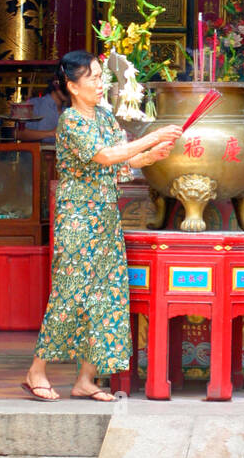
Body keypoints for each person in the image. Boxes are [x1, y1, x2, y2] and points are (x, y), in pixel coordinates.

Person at [22, 50, 182, 402]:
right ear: (73, 86)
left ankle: (85, 379)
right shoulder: (71, 122)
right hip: (77, 219)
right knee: (70, 292)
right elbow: (104, 155)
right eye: (92, 77)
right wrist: (151, 137)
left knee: (108, 295)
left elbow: (120, 163)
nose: (100, 83)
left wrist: (150, 155)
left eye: (100, 76)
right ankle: (37, 371)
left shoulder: (106, 118)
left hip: (106, 218)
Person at [19, 74, 67, 142]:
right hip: (35, 151)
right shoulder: (34, 104)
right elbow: (18, 133)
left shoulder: (69, 110)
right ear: (55, 84)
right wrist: (51, 133)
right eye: (64, 86)